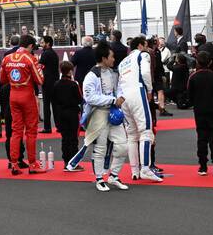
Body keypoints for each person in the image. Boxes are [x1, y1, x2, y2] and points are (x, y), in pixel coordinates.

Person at [66, 42, 130, 191]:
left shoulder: (114, 73)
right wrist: (113, 100)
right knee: (100, 149)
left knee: (122, 147)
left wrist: (119, 97)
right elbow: (90, 98)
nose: (114, 59)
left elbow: (119, 89)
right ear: (104, 58)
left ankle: (113, 176)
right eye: (112, 56)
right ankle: (99, 178)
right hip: (98, 114)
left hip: (114, 113)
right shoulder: (91, 75)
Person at [118, 36, 162, 182]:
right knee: (146, 131)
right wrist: (149, 90)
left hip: (124, 96)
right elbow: (145, 73)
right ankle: (145, 169)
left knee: (131, 135)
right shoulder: (143, 54)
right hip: (137, 92)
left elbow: (119, 83)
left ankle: (134, 170)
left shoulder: (123, 62)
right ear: (141, 45)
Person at [0, 35, 44, 174]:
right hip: (27, 96)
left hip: (13, 95)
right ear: (30, 46)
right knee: (31, 131)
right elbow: (40, 80)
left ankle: (14, 163)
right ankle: (32, 164)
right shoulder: (31, 58)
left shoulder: (7, 58)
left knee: (16, 130)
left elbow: (2, 79)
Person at [189, 49, 213, 175]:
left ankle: (203, 166)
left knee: (201, 137)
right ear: (210, 62)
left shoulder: (193, 77)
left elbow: (189, 95)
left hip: (199, 110)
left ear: (197, 62)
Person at [52, 61, 83, 167]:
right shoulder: (74, 85)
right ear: (70, 72)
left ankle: (66, 160)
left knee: (65, 138)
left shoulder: (56, 84)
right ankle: (73, 161)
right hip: (72, 113)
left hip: (61, 114)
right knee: (73, 138)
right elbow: (80, 99)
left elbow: (54, 101)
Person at [39, 36, 60, 133]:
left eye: (42, 43)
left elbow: (39, 66)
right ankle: (59, 126)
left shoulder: (45, 54)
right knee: (56, 106)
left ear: (48, 43)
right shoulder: (54, 53)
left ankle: (47, 127)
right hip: (55, 82)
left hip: (47, 83)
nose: (41, 44)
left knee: (46, 106)